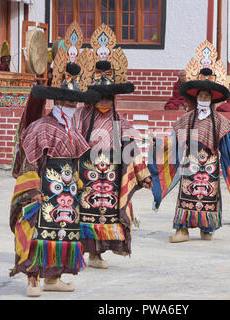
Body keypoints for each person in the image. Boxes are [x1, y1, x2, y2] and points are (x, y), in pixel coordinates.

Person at [9, 58, 102, 296]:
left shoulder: (73, 130)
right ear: (57, 102)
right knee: (36, 234)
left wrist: (82, 183)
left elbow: (79, 159)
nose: (71, 105)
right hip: (43, 190)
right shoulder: (39, 127)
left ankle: (53, 279)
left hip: (67, 193)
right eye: (67, 101)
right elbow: (30, 161)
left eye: (74, 102)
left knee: (63, 234)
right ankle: (32, 281)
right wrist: (32, 191)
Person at [70, 24, 152, 269]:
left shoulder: (119, 120)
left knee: (105, 214)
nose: (104, 102)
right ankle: (77, 254)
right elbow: (72, 141)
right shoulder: (80, 116)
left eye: (108, 98)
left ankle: (97, 255)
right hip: (86, 172)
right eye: (100, 98)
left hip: (112, 174)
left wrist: (142, 173)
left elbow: (131, 146)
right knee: (83, 212)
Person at [149, 41, 230, 243]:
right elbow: (174, 140)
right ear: (196, 97)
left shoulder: (221, 120)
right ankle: (183, 230)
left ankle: (207, 228)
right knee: (187, 194)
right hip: (191, 162)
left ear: (212, 98)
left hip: (211, 164)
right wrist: (159, 143)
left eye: (207, 95)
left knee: (209, 197)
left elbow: (229, 145)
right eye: (201, 95)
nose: (203, 97)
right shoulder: (187, 118)